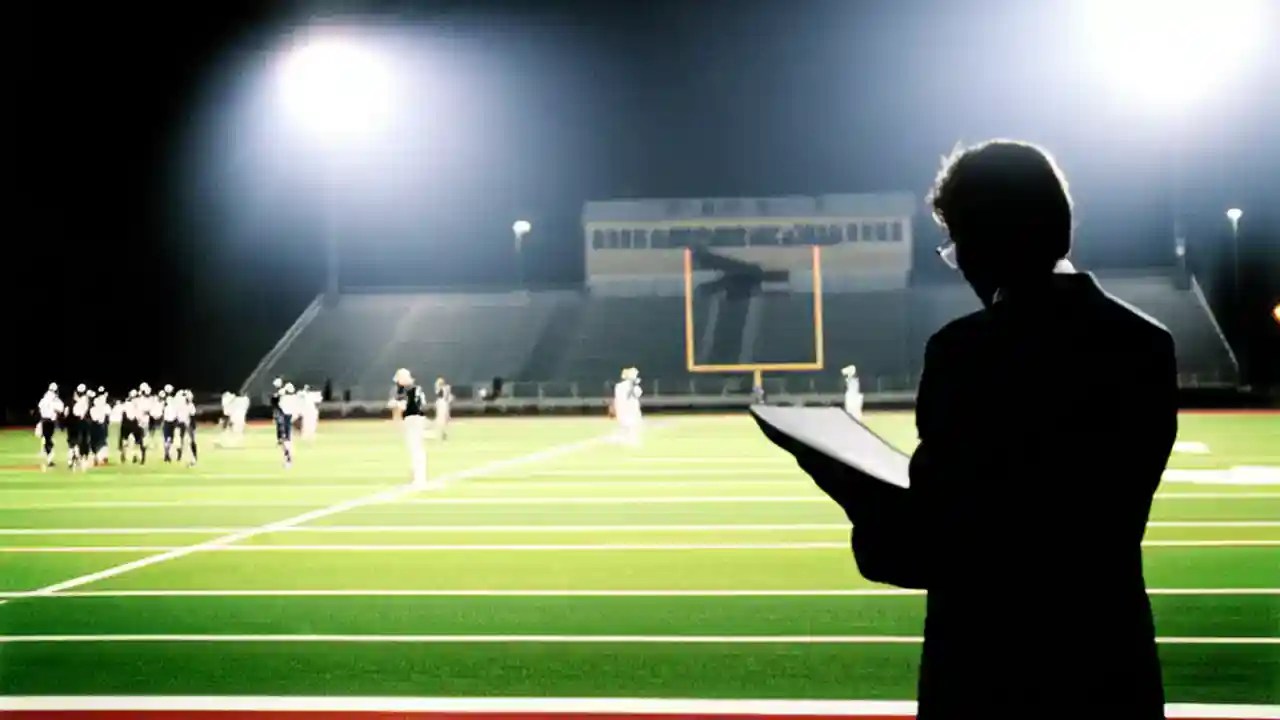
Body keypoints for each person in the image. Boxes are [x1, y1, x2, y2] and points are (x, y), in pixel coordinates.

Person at [798, 140, 1176, 719]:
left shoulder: (967, 352)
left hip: (987, 671)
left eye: (957, 244)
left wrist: (848, 487)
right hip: (1108, 662)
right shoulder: (1146, 343)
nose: (961, 264)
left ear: (985, 242)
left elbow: (933, 547)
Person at [391, 368, 435, 488]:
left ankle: (419, 478)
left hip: (411, 420)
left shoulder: (404, 391)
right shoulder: (417, 388)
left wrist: (397, 421)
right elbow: (422, 405)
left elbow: (400, 407)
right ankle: (418, 475)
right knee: (418, 449)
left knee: (415, 449)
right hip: (419, 419)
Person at [612, 367, 643, 446]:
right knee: (631, 427)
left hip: (623, 409)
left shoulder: (619, 386)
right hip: (630, 409)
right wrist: (634, 385)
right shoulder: (629, 386)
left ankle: (624, 440)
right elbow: (637, 393)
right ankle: (630, 441)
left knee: (626, 427)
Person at [36, 383, 63, 470]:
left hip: (44, 420)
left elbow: (40, 407)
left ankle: (46, 455)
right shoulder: (54, 399)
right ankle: (49, 459)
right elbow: (60, 408)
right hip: (50, 421)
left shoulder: (44, 398)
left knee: (46, 438)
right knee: (49, 440)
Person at [88, 388, 111, 466]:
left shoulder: (95, 402)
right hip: (100, 425)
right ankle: (100, 458)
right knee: (101, 442)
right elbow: (107, 414)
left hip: (95, 425)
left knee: (96, 442)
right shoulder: (104, 403)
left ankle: (97, 458)